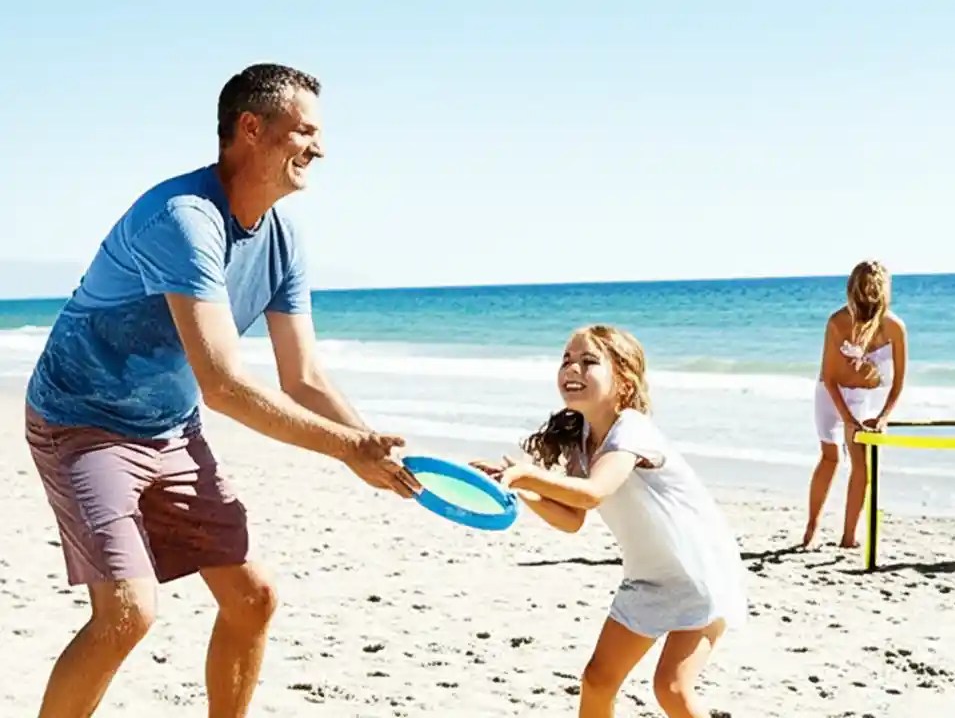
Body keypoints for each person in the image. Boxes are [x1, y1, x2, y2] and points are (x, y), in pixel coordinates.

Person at [23, 63, 422, 718]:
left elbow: (305, 378)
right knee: (127, 614)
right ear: (251, 128)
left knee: (253, 598)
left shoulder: (283, 238)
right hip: (82, 422)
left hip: (170, 429)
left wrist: (370, 449)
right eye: (306, 131)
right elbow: (225, 384)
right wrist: (347, 447)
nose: (320, 148)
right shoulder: (185, 220)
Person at [471, 324, 747, 718]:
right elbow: (573, 518)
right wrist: (518, 489)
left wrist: (526, 474)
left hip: (699, 574)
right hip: (647, 578)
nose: (572, 369)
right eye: (566, 359)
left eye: (588, 362)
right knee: (597, 681)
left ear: (623, 381)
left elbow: (594, 492)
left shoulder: (631, 430)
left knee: (671, 689)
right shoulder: (579, 437)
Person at [802, 260, 908, 549]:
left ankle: (848, 537)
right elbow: (830, 377)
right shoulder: (837, 322)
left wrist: (884, 416)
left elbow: (898, 382)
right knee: (831, 456)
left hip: (865, 399)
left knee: (862, 464)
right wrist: (847, 418)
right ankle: (812, 526)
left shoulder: (895, 328)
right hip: (830, 394)